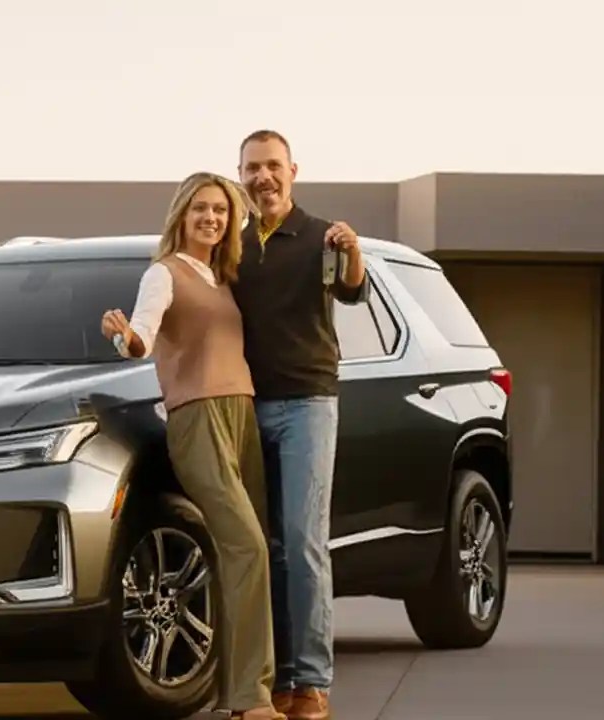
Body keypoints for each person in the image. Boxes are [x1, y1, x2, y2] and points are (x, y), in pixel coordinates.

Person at [100, 171, 285, 720]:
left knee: (243, 554)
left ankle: (236, 694)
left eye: (221, 210)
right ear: (181, 214)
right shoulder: (164, 273)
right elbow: (142, 336)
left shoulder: (222, 278)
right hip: (198, 417)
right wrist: (124, 337)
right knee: (247, 548)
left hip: (241, 414)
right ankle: (252, 698)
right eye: (201, 208)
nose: (211, 218)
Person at [232, 130, 369, 720]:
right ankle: (278, 678)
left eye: (272, 166)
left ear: (293, 171)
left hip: (307, 403)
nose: (262, 177)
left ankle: (311, 682)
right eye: (252, 168)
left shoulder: (322, 236)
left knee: (303, 541)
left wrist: (353, 252)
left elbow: (352, 290)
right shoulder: (232, 247)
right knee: (265, 548)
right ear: (240, 175)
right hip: (244, 406)